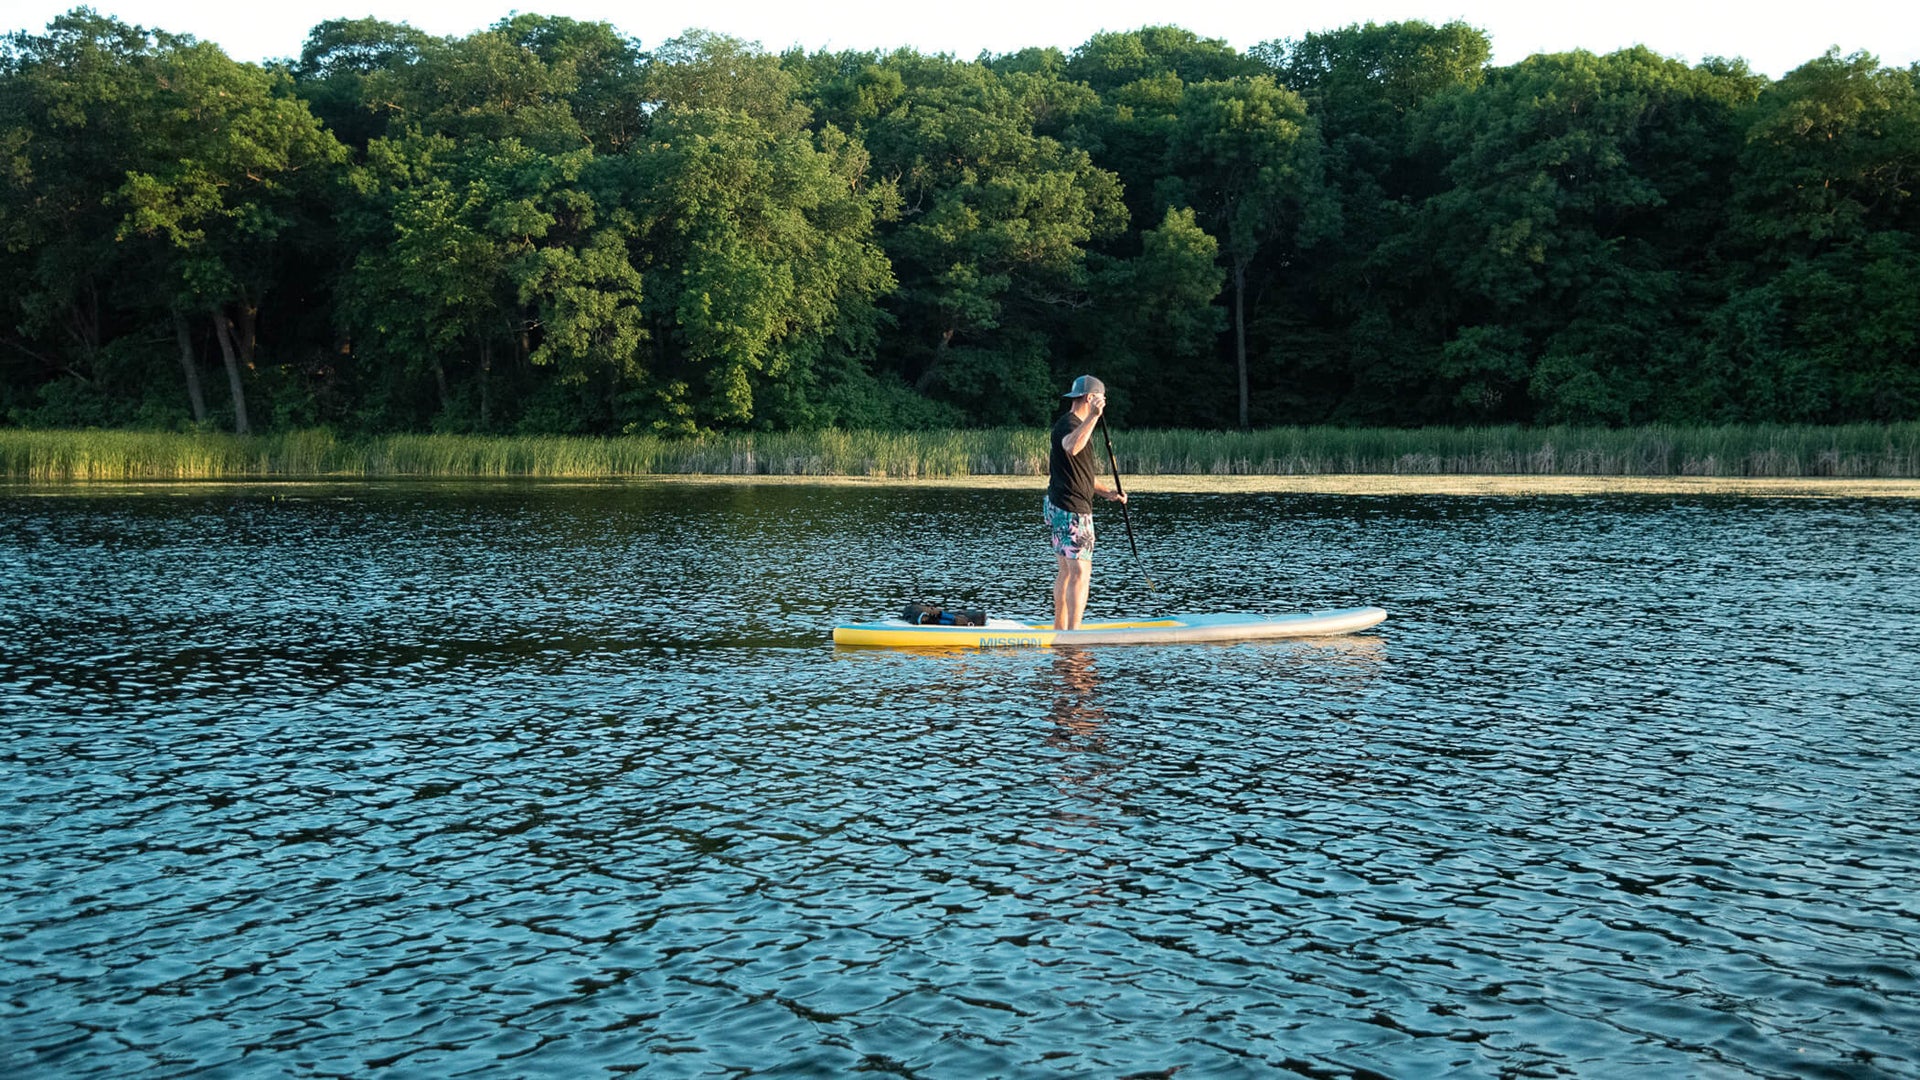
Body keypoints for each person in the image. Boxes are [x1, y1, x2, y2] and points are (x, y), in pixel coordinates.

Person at [1045, 374, 1127, 630]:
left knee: (1067, 571)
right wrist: (1093, 416)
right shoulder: (1071, 425)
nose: (1103, 405)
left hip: (1061, 505)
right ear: (1091, 398)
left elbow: (1082, 474)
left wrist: (1108, 493)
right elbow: (1071, 447)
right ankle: (1073, 633)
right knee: (1080, 573)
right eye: (1101, 400)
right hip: (1072, 510)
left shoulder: (1075, 424)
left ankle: (1061, 629)